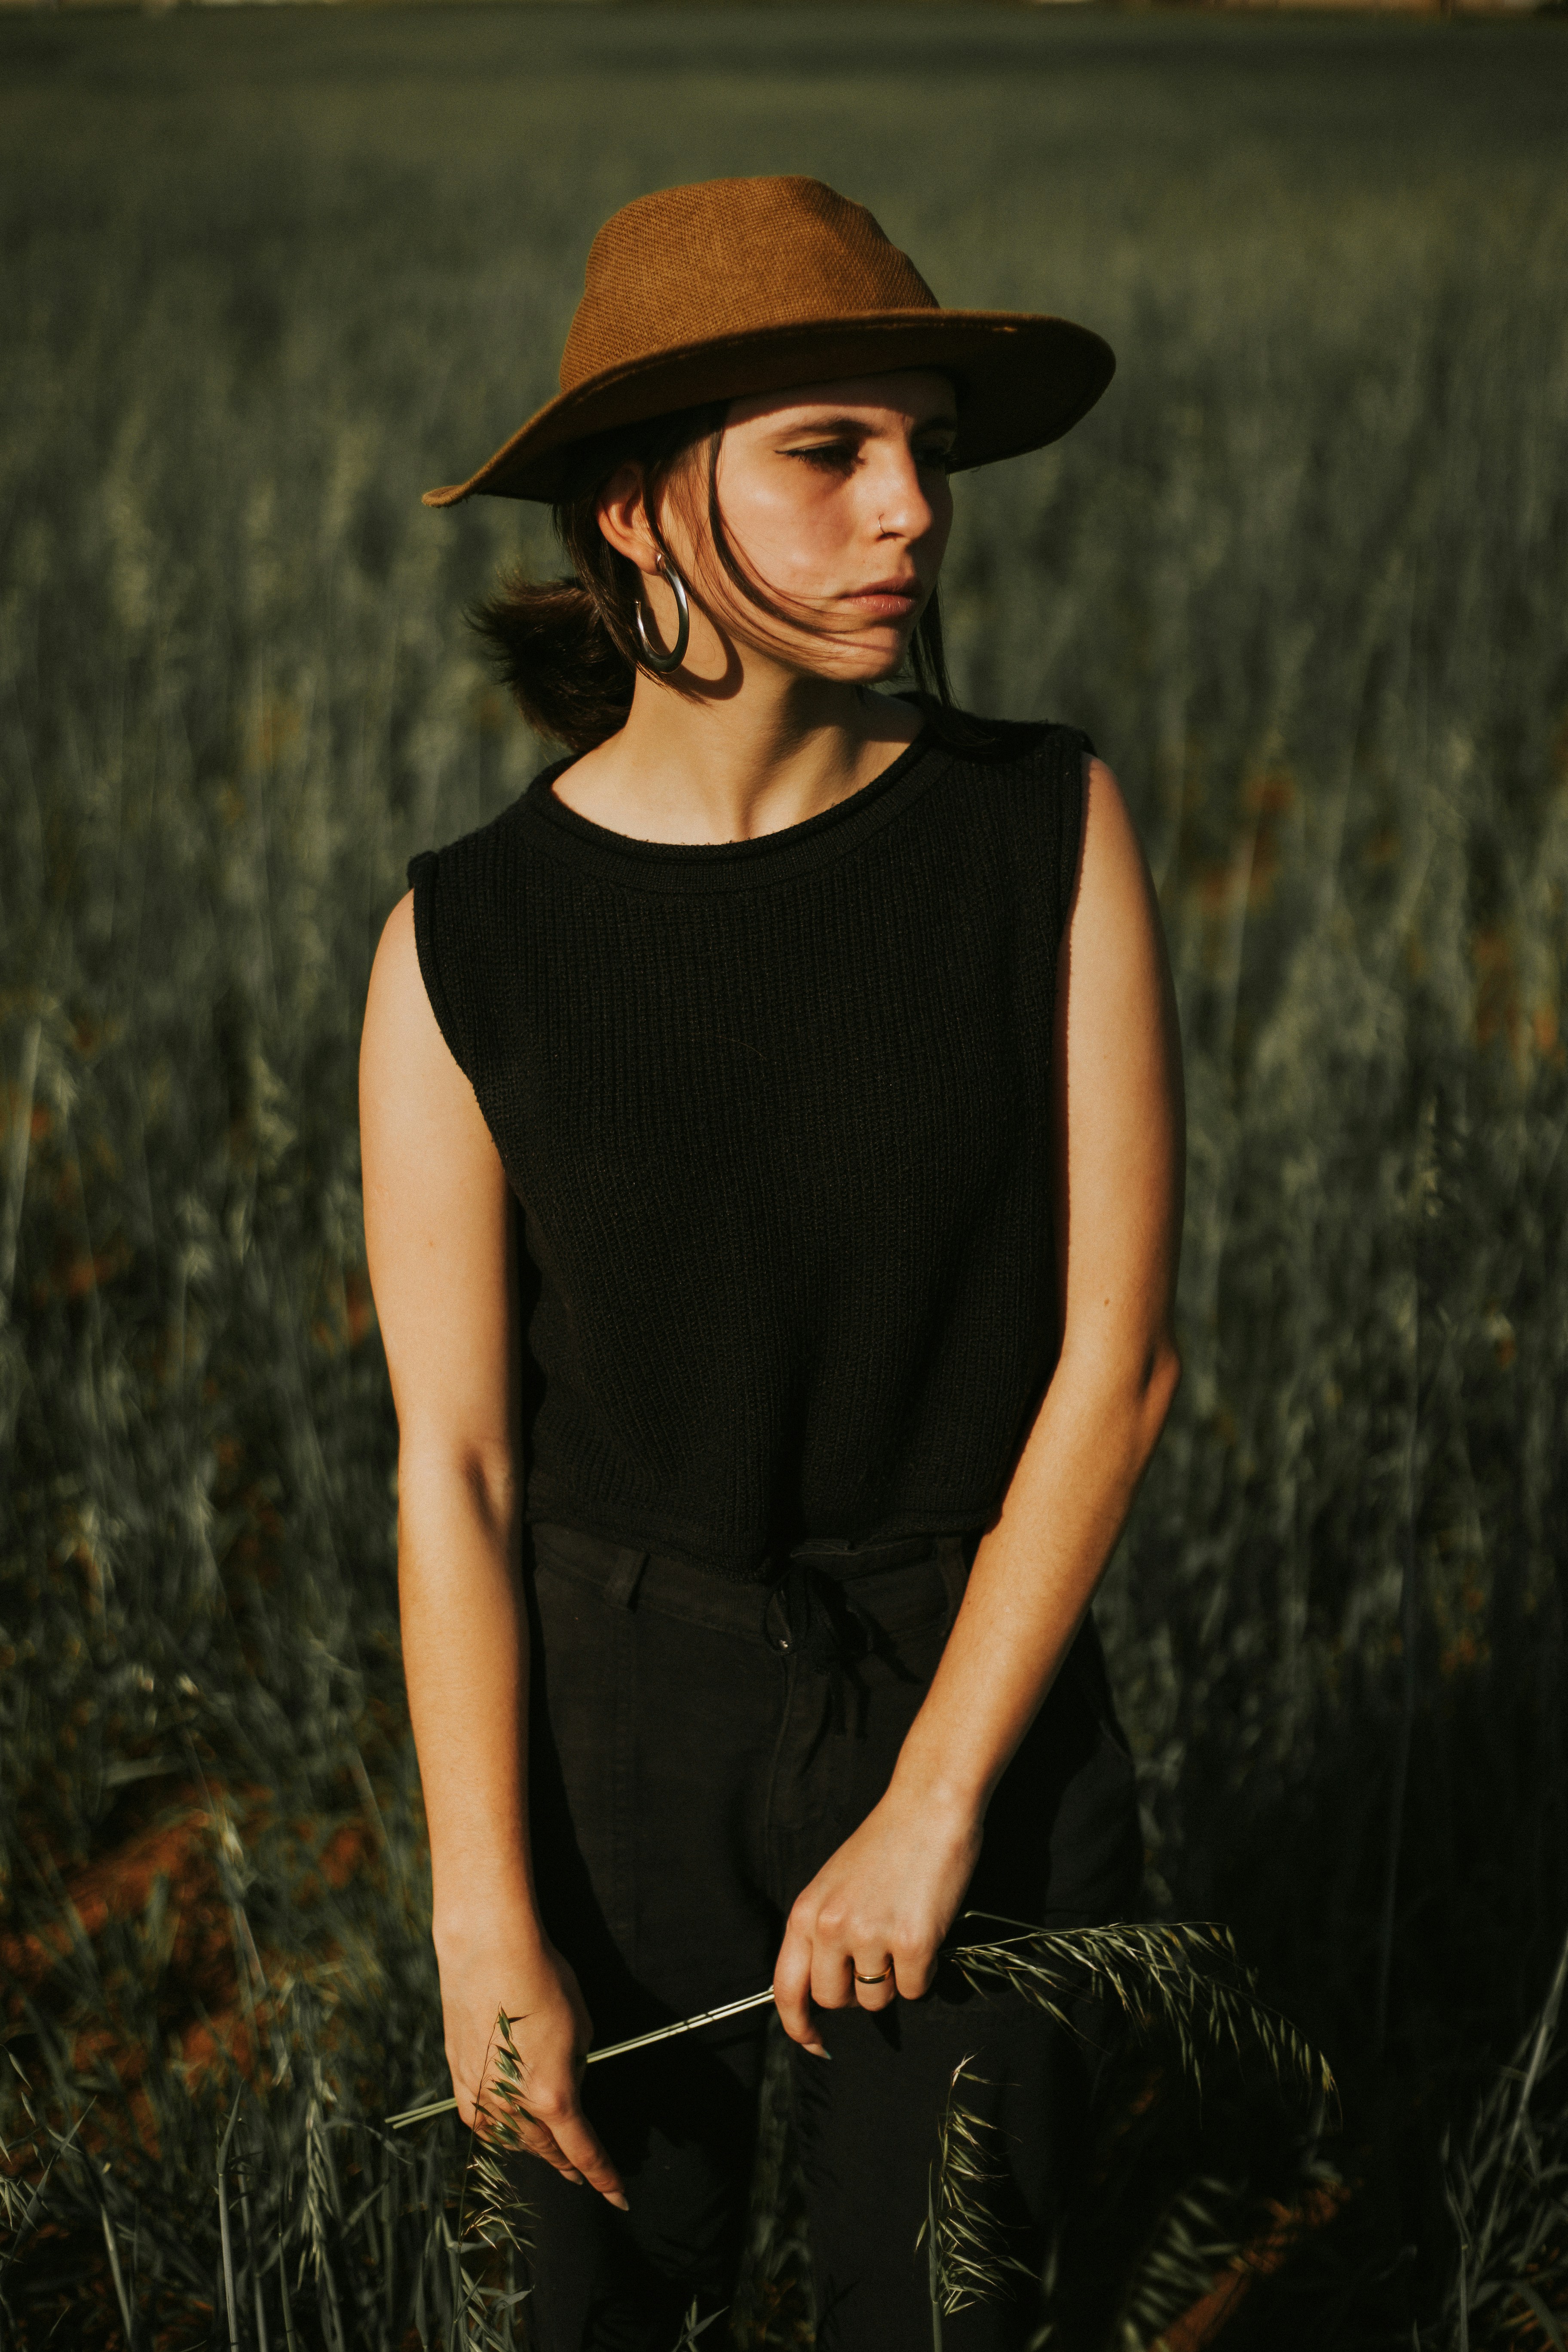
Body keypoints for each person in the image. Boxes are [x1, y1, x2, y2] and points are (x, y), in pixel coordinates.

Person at [359, 175, 1184, 2352]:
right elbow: (449, 1465)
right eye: (831, 454)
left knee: (952, 2311)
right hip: (609, 1738)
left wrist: (935, 1814)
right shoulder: (465, 940)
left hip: (969, 1706)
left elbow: (1119, 1360)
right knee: (576, 2311)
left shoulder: (1044, 829)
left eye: (923, 448)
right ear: (638, 508)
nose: (913, 509)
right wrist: (481, 1918)